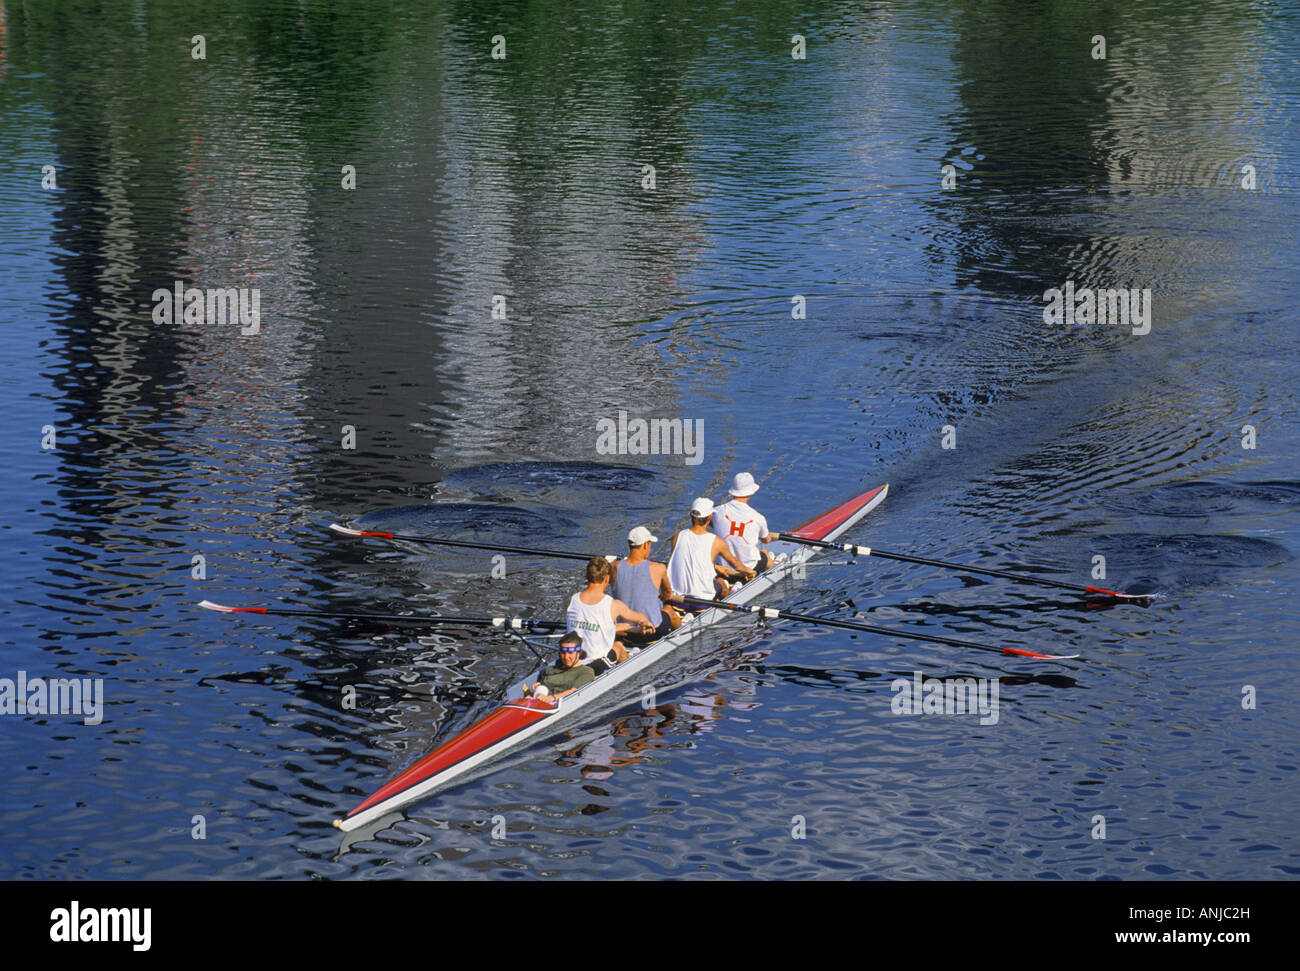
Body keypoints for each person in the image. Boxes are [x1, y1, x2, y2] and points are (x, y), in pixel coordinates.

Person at [566, 556, 655, 675]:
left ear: (587, 577)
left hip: (570, 660)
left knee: (619, 628)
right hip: (595, 666)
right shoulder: (613, 605)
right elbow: (640, 618)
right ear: (607, 579)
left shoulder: (571, 600)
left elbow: (589, 620)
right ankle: (629, 674)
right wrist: (645, 623)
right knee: (618, 645)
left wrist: (616, 628)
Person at [667, 497, 756, 602]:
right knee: (721, 582)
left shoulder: (677, 536)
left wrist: (715, 567)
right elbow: (735, 563)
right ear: (710, 516)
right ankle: (723, 604)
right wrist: (750, 572)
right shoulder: (716, 541)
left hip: (676, 598)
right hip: (701, 601)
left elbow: (683, 562)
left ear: (691, 515)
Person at [610, 526, 682, 645]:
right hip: (651, 632)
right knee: (668, 610)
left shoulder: (613, 567)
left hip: (624, 631)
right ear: (645, 545)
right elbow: (668, 594)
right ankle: (680, 637)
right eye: (650, 545)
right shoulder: (658, 568)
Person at [712, 471, 780, 571]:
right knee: (764, 553)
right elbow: (766, 540)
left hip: (724, 566)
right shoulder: (758, 518)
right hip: (748, 567)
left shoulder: (716, 512)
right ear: (751, 492)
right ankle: (774, 569)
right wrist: (763, 536)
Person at [531, 631, 594, 701]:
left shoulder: (586, 672)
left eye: (570, 653)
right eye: (563, 653)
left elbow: (575, 691)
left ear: (579, 653)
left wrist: (551, 698)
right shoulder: (548, 670)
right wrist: (535, 692)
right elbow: (540, 692)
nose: (566, 657)